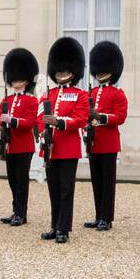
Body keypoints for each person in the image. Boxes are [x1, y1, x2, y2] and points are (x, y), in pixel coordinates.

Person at [38, 37, 89, 244]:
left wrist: (58, 122)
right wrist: (43, 131)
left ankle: (64, 228)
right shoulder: (48, 94)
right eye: (57, 71)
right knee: (53, 188)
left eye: (64, 70)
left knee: (66, 189)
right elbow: (39, 115)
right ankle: (54, 225)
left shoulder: (80, 95)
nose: (60, 74)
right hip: (50, 147)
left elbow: (80, 119)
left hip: (68, 148)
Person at [83, 40, 128, 231]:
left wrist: (100, 117)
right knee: (96, 180)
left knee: (107, 182)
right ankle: (98, 214)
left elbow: (120, 116)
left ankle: (107, 217)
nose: (101, 72)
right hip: (94, 141)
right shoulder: (91, 92)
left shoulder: (117, 93)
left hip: (109, 143)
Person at [0, 48, 40, 227]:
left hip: (24, 146)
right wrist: (1, 129)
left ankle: (22, 214)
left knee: (21, 182)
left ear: (26, 81)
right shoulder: (6, 101)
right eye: (14, 79)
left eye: (20, 79)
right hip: (10, 146)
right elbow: (0, 120)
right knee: (12, 180)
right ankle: (16, 210)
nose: (16, 83)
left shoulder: (31, 100)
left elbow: (29, 122)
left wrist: (12, 121)